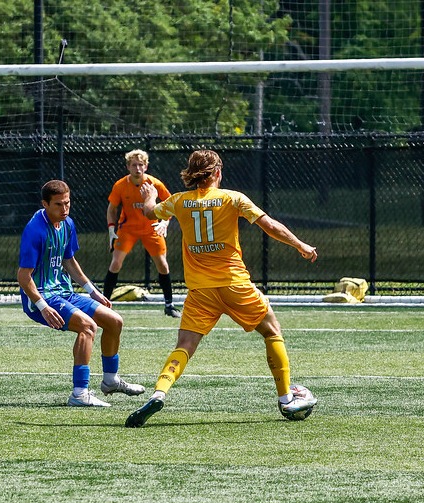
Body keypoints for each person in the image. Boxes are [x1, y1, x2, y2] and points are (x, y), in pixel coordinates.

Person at [125, 149, 319, 428]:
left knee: (185, 345)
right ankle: (286, 398)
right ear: (217, 173)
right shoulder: (232, 197)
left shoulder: (179, 201)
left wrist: (150, 196)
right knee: (272, 331)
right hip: (234, 283)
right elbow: (269, 225)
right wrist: (299, 245)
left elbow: (149, 212)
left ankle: (159, 392)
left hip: (199, 290)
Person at [18, 179, 145, 407]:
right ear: (44, 204)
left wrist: (92, 291)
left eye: (67, 203)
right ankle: (79, 394)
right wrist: (43, 307)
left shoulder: (67, 224)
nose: (64, 209)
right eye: (58, 205)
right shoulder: (34, 231)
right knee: (88, 327)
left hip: (64, 292)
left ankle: (110, 380)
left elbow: (69, 260)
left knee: (115, 321)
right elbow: (23, 277)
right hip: (42, 297)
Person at [104, 149, 182, 318]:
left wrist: (164, 222)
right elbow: (112, 208)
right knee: (115, 263)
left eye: (141, 164)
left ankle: (169, 305)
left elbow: (171, 203)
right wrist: (111, 229)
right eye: (134, 165)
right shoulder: (120, 185)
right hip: (128, 228)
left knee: (163, 264)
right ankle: (104, 305)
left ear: (146, 166)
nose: (137, 168)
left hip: (151, 228)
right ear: (128, 167)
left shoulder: (155, 184)